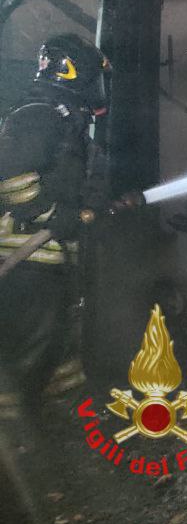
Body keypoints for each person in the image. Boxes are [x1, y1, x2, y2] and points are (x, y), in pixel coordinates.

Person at [0, 34, 140, 421]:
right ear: (71, 70)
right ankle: (16, 431)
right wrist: (51, 215)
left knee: (58, 343)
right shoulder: (38, 115)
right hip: (26, 255)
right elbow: (9, 177)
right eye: (95, 75)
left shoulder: (64, 119)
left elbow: (69, 191)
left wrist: (99, 207)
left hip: (51, 256)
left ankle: (59, 418)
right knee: (32, 346)